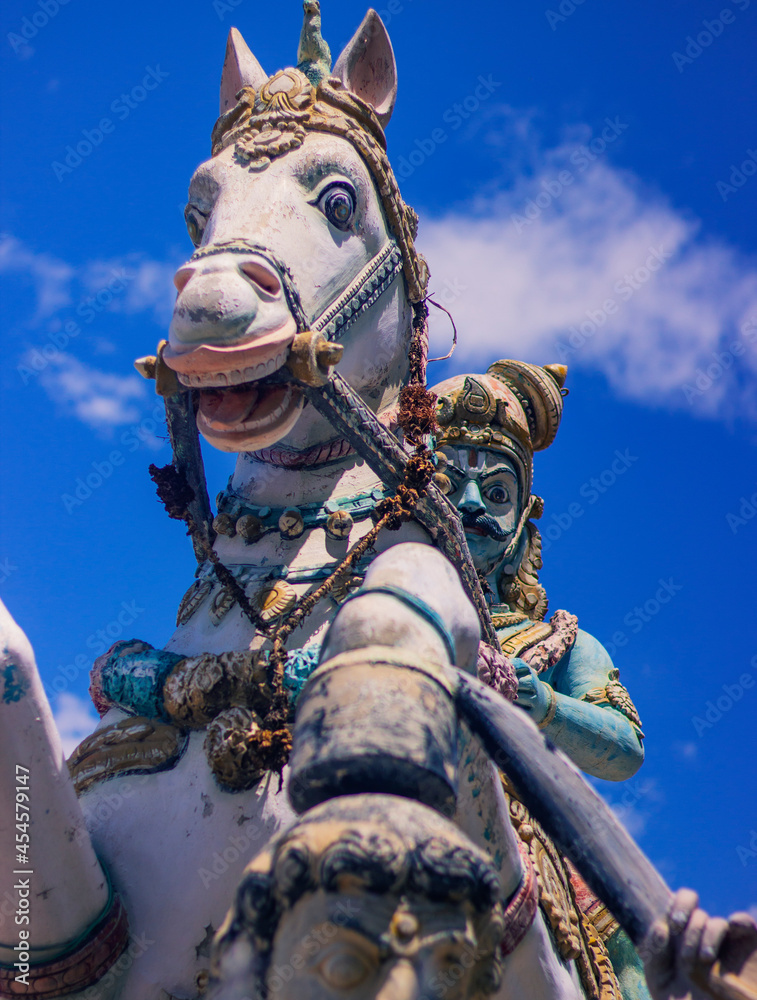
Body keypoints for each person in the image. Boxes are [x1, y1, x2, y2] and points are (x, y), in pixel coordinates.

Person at [431, 360, 649, 1000]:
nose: (472, 505)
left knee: (625, 948)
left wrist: (543, 703)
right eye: (448, 483)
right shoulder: (363, 610)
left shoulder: (560, 642)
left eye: (497, 494)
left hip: (525, 828)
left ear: (524, 518)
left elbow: (625, 747)